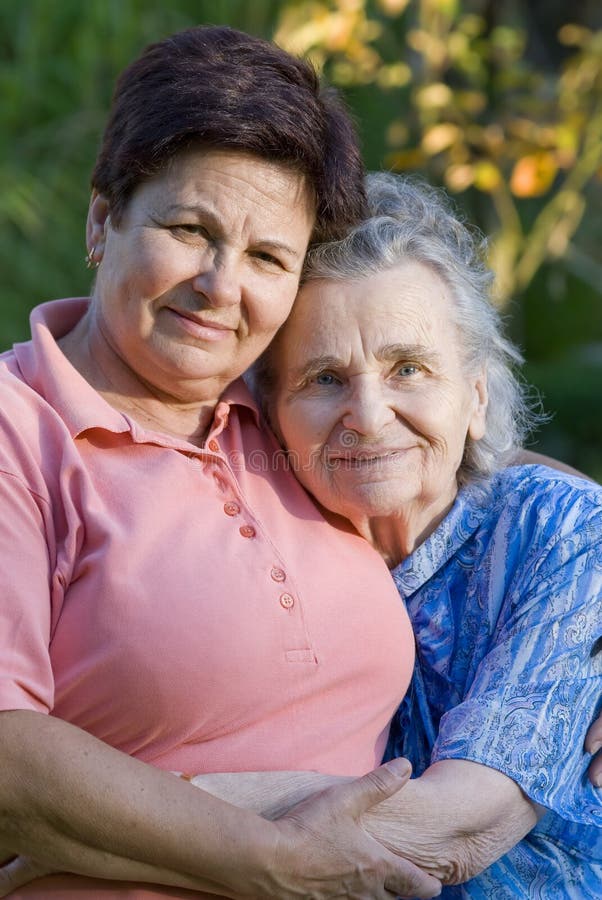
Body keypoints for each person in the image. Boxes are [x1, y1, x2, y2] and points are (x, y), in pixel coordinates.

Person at [0, 26, 441, 900]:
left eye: (269, 257)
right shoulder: (22, 431)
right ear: (102, 219)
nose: (221, 285)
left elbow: (478, 470)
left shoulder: (293, 409)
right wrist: (278, 867)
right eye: (189, 229)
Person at [224, 172, 600, 896]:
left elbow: (458, 826)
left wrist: (115, 821)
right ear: (268, 413)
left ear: (476, 395)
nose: (368, 413)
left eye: (409, 369)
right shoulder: (261, 539)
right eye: (324, 378)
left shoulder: (558, 531)